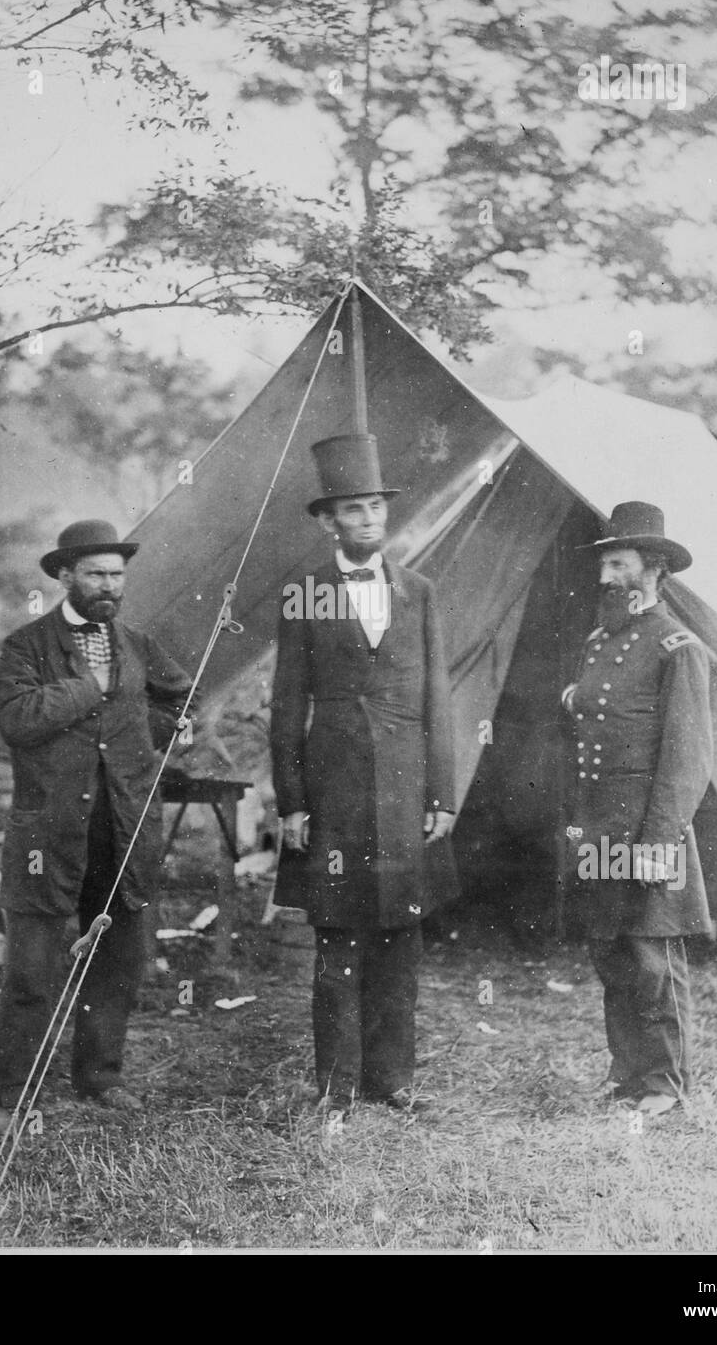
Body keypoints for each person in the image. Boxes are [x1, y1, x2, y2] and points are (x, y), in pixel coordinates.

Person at [270, 434, 459, 1129]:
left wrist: (441, 795)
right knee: (338, 942)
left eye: (376, 506)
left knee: (401, 942)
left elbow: (441, 700)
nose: (370, 520)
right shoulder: (305, 597)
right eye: (354, 509)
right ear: (329, 521)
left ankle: (393, 1079)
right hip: (335, 793)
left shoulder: (421, 593)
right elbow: (287, 704)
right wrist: (291, 802)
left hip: (408, 793)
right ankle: (336, 1087)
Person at [0, 520, 193, 1133]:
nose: (110, 585)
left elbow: (180, 695)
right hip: (49, 833)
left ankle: (99, 1076)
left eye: (117, 574)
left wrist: (158, 731)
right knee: (32, 968)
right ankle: (14, 1096)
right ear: (66, 576)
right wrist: (89, 688)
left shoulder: (136, 642)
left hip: (124, 827)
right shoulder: (26, 646)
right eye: (97, 574)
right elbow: (18, 719)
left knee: (117, 955)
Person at [563, 502, 713, 1118]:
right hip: (599, 824)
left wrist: (659, 841)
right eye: (603, 562)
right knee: (612, 951)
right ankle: (627, 1073)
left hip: (648, 825)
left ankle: (664, 1085)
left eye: (617, 563)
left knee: (654, 957)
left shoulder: (678, 647)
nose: (605, 577)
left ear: (652, 569)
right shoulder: (599, 642)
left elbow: (688, 757)